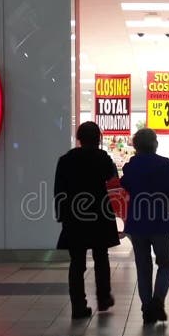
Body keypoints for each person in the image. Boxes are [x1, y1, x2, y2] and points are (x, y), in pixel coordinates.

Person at [121, 129, 169, 325]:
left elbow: (124, 185)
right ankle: (158, 301)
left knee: (143, 268)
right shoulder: (165, 165)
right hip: (161, 224)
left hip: (137, 225)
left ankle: (147, 309)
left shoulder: (131, 166)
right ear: (155, 144)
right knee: (165, 265)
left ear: (136, 146)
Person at [54, 122, 119, 319]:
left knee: (77, 263)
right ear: (98, 138)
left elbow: (59, 190)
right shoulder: (103, 158)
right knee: (101, 257)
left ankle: (78, 306)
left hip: (75, 217)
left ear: (79, 138)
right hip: (99, 215)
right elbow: (113, 181)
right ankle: (103, 298)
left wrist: (61, 214)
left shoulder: (65, 160)